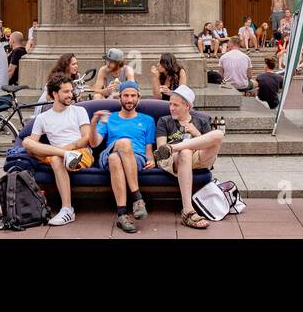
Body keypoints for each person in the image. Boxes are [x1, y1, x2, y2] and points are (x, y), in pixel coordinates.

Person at [23, 73, 97, 227]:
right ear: (55, 94)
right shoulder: (42, 118)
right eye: (66, 91)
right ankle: (64, 155)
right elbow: (32, 145)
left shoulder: (79, 111)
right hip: (59, 154)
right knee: (26, 142)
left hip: (80, 153)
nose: (71, 95)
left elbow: (86, 138)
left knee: (57, 159)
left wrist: (66, 149)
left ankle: (67, 209)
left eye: (71, 91)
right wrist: (62, 153)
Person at [152, 86, 225, 230]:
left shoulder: (201, 121)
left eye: (175, 105)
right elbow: (161, 149)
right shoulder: (164, 121)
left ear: (187, 106)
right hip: (173, 158)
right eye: (170, 104)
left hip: (198, 157)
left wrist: (196, 133)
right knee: (184, 152)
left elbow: (208, 145)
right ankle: (188, 210)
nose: (171, 108)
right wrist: (180, 148)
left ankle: (177, 147)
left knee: (218, 134)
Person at [93, 81, 156, 233]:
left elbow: (148, 147)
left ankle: (122, 214)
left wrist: (152, 159)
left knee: (116, 158)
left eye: (133, 96)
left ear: (138, 98)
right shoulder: (110, 117)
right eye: (126, 96)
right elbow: (94, 143)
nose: (129, 99)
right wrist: (94, 121)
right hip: (108, 153)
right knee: (122, 144)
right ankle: (137, 198)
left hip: (137, 157)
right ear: (120, 97)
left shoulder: (148, 120)